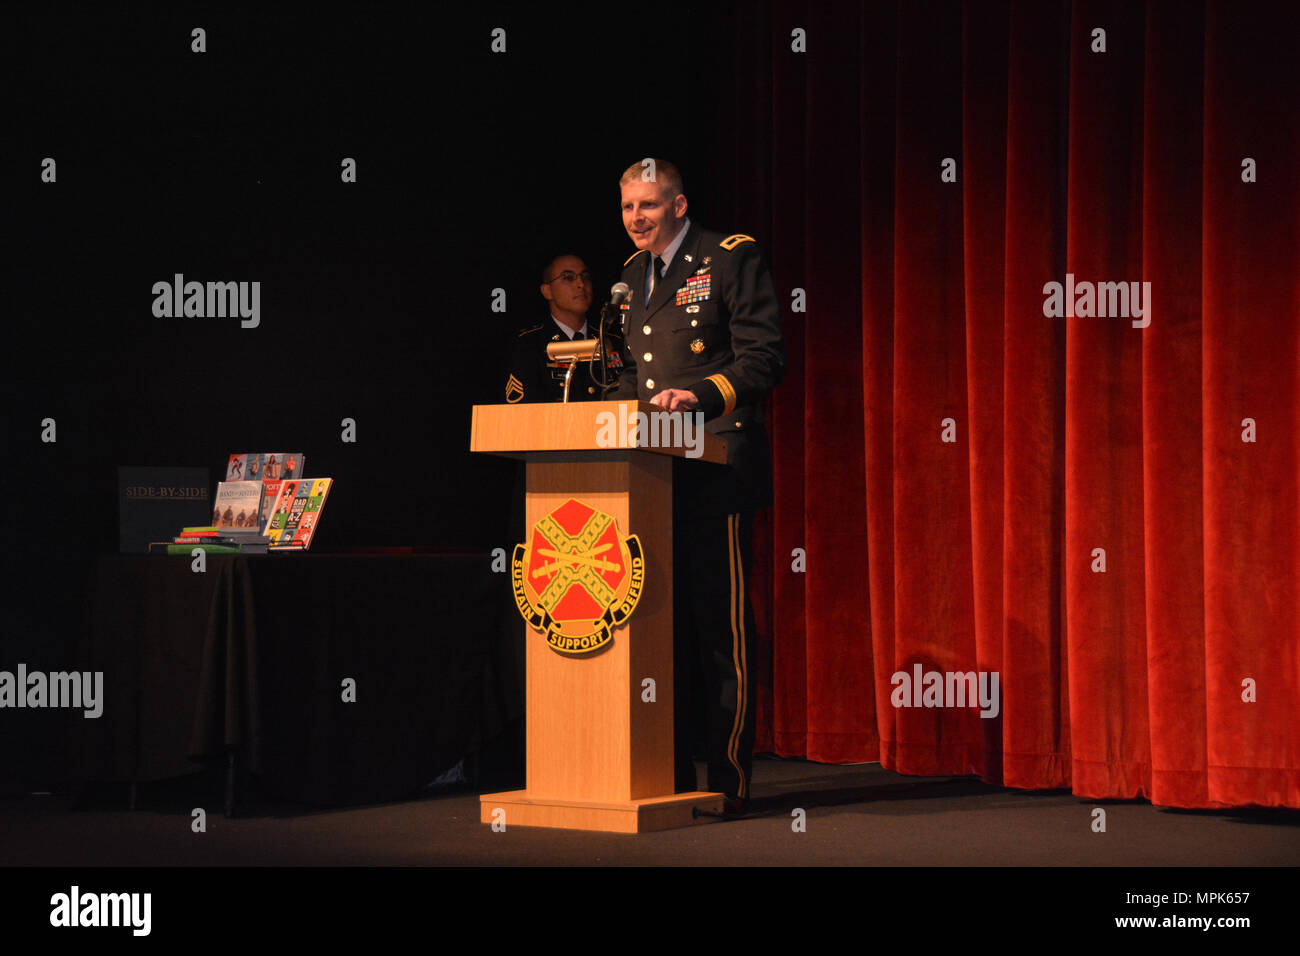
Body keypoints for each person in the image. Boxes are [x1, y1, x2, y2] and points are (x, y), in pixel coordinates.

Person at [610, 158, 784, 812]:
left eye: (648, 206)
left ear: (679, 205)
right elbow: (628, 373)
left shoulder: (731, 258)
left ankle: (728, 777)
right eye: (628, 208)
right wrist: (618, 416)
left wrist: (703, 395)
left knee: (720, 628)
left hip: (716, 464)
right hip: (653, 476)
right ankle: (670, 772)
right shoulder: (630, 278)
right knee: (660, 631)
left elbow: (764, 357)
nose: (637, 219)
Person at [503, 255, 625, 403]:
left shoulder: (612, 341)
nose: (580, 284)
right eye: (568, 278)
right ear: (547, 291)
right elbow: (522, 412)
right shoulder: (530, 344)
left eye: (585, 277)